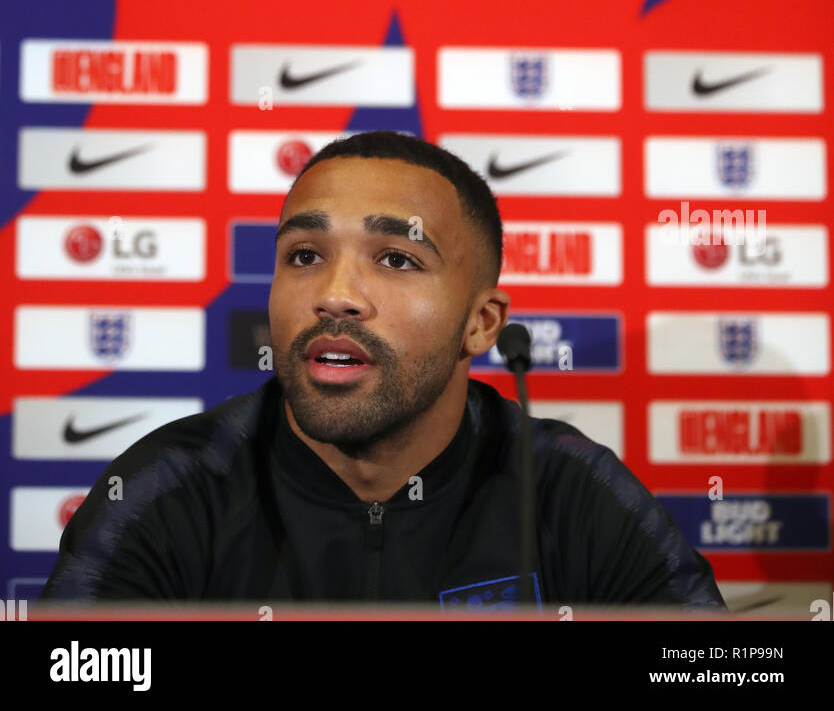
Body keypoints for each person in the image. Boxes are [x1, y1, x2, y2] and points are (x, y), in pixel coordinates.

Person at [40, 130, 725, 610]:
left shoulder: (570, 491)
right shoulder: (170, 490)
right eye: (304, 255)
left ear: (481, 324)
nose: (334, 294)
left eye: (396, 259)